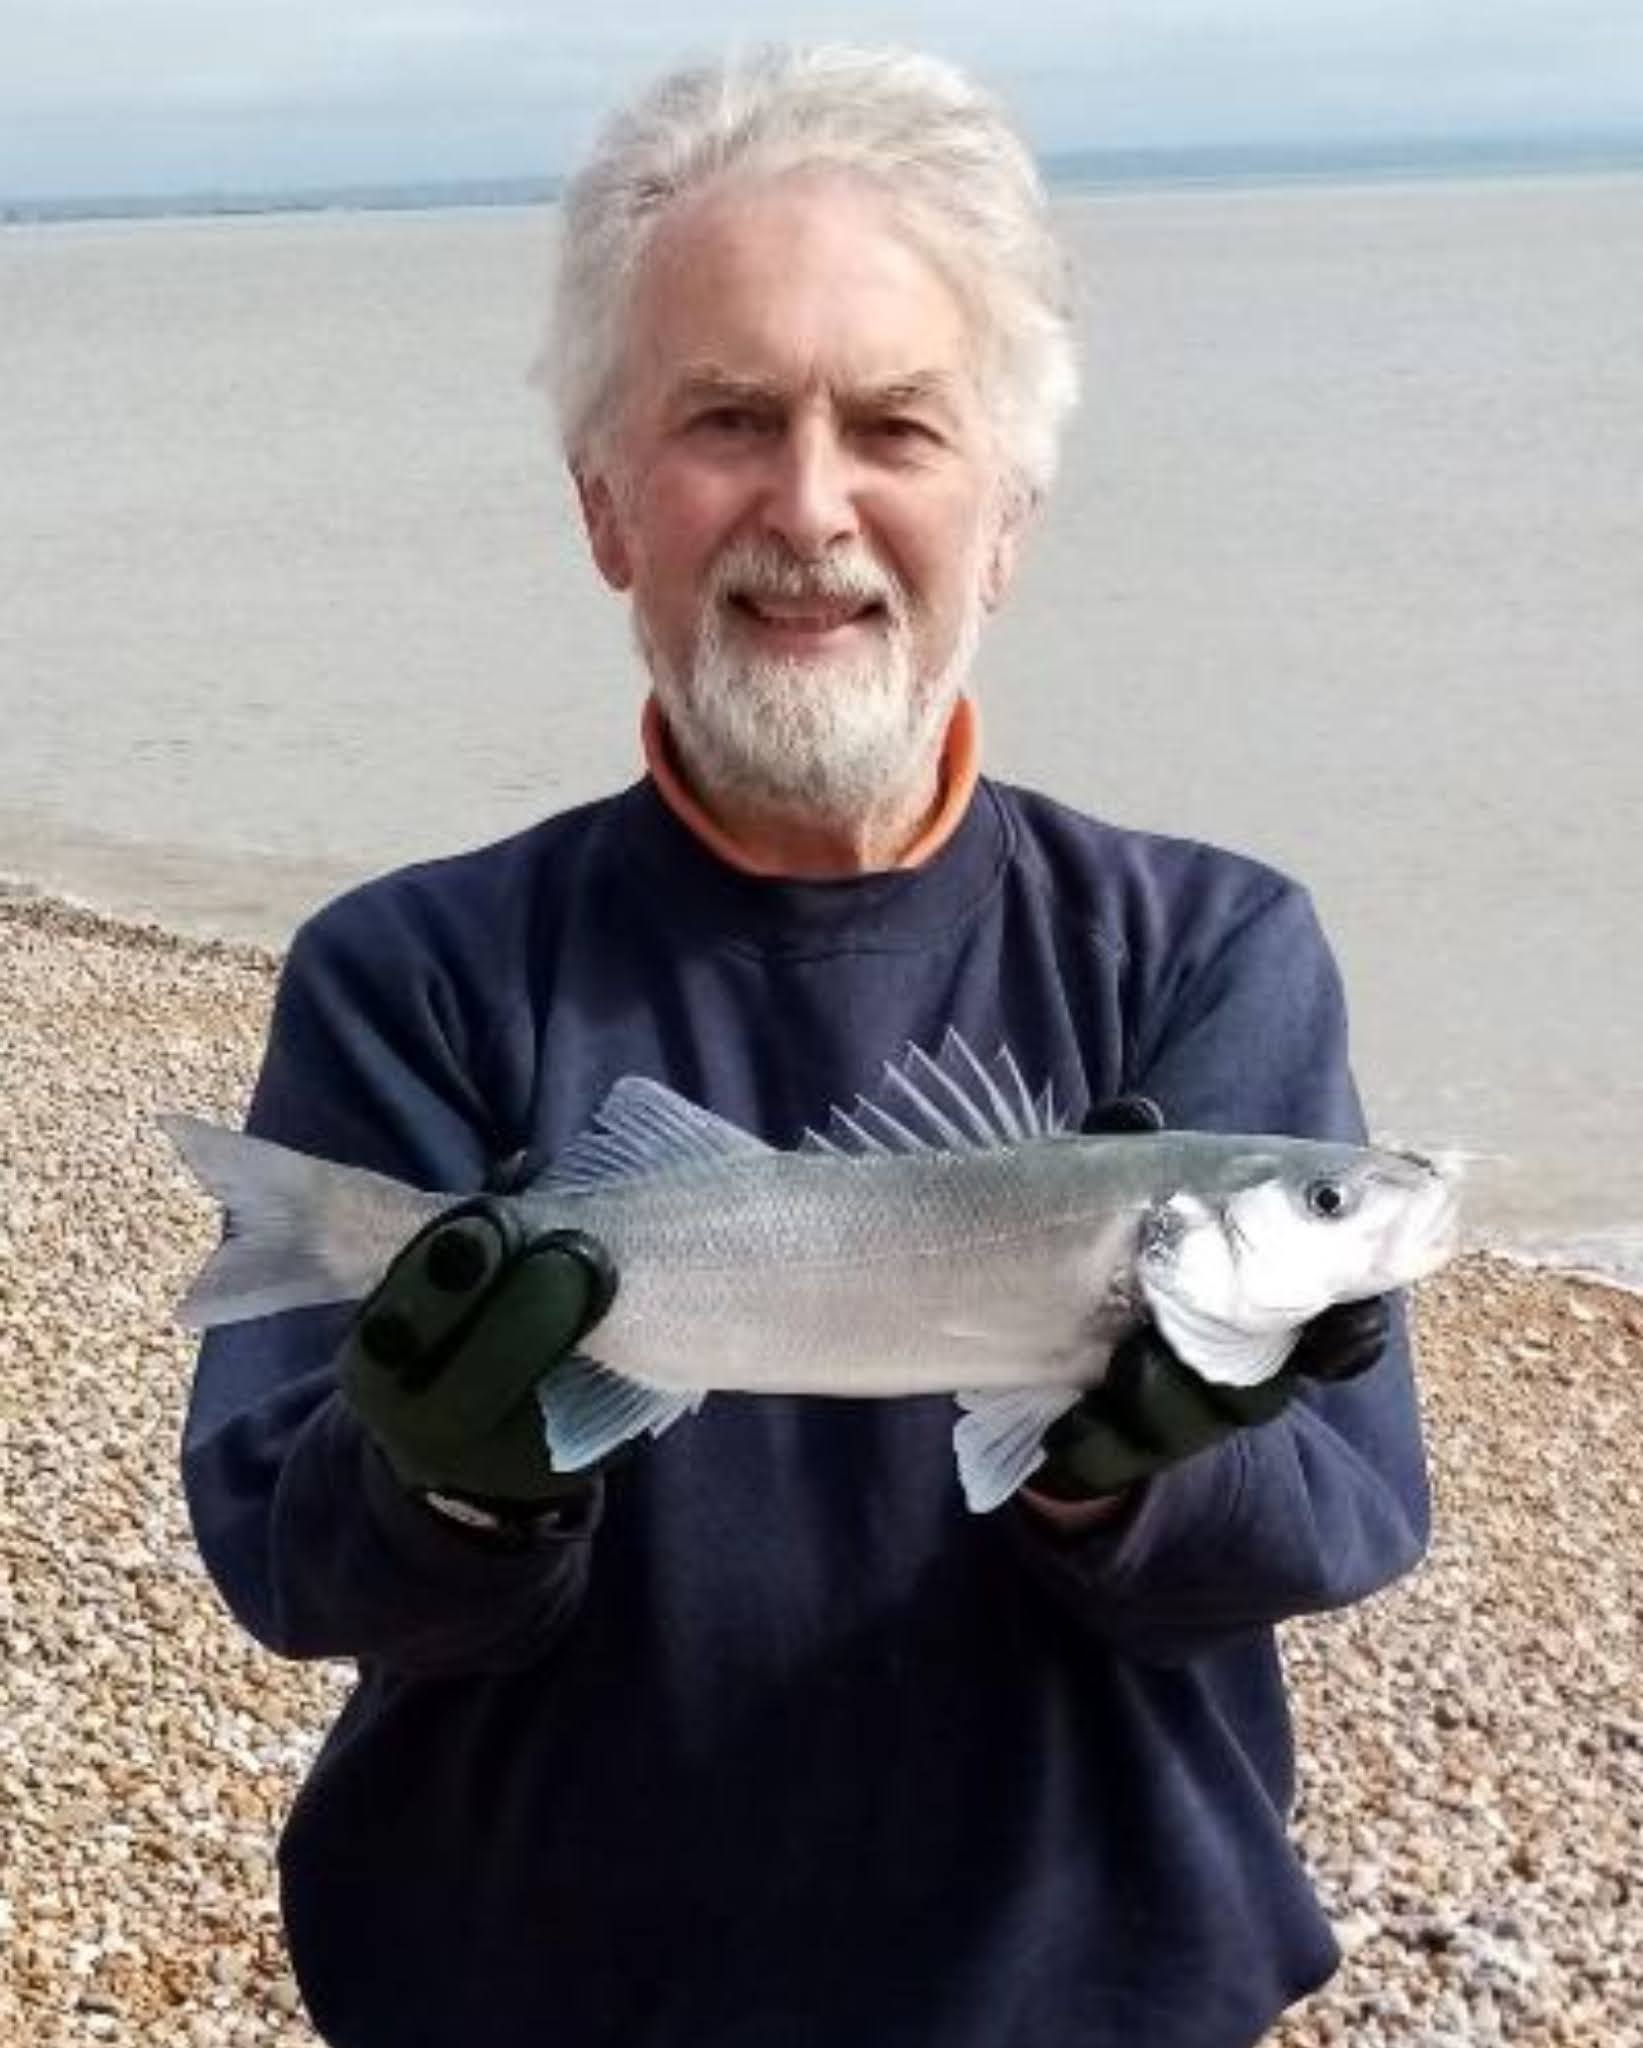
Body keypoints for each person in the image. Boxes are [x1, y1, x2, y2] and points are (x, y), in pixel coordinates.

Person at [181, 45, 1429, 2048]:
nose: (812, 507)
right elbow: (296, 1564)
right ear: (607, 505)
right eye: (729, 418)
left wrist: (1124, 1481)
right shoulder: (411, 973)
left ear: (1007, 516)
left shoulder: (1205, 953)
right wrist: (455, 1484)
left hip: (1084, 2004)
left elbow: (1340, 1521)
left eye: (899, 426)